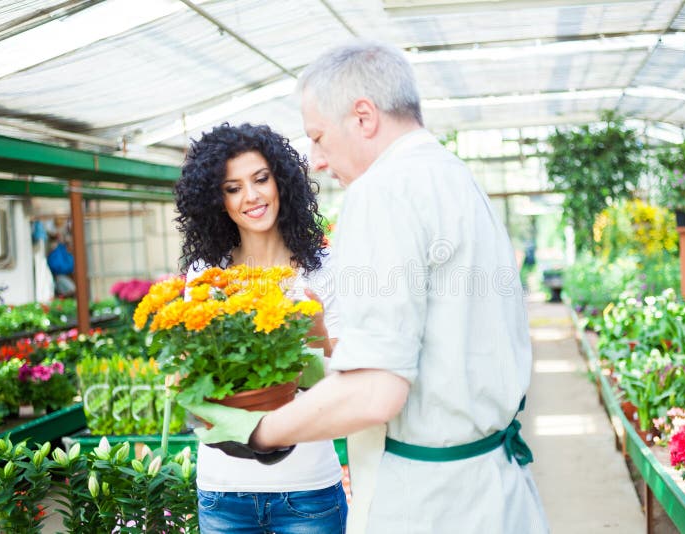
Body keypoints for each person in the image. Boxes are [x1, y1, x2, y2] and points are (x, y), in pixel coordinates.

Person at [247, 41, 549, 533]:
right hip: (493, 488)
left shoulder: (382, 191)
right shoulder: (455, 177)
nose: (317, 161)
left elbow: (375, 391)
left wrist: (259, 432)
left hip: (430, 504)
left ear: (363, 117)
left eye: (319, 138)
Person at [174, 122, 347, 533]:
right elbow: (190, 377)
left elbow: (346, 379)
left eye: (260, 179)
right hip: (223, 490)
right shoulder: (206, 276)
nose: (251, 196)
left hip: (308, 489)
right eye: (232, 188)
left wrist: (317, 324)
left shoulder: (322, 271)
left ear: (282, 182)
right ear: (217, 201)